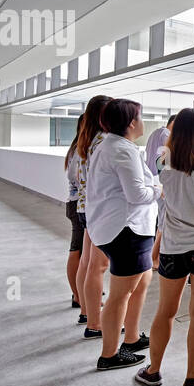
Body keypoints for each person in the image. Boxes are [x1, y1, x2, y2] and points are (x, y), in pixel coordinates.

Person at [133, 108, 194, 386]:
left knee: (166, 311)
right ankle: (191, 375)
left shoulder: (163, 162)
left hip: (173, 247)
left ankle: (153, 371)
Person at [85, 98, 159, 370]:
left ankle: (131, 337)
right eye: (140, 116)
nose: (143, 121)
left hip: (118, 228)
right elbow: (137, 194)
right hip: (126, 231)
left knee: (141, 282)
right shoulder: (122, 151)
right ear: (131, 122)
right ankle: (109, 354)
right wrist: (159, 189)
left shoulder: (112, 145)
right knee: (120, 295)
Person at [74, 95, 112, 337]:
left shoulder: (85, 141)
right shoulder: (104, 142)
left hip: (84, 207)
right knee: (98, 266)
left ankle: (87, 313)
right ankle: (95, 325)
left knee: (87, 263)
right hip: (99, 211)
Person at [145, 115, 175, 270]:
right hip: (160, 181)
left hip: (153, 179)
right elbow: (168, 158)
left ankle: (155, 257)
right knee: (164, 221)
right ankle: (154, 258)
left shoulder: (155, 133)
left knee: (161, 220)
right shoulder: (166, 134)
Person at [65, 116, 85, 320]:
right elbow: (79, 180)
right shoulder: (80, 149)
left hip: (75, 204)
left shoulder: (76, 147)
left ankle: (80, 293)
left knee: (80, 252)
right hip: (78, 205)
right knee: (77, 251)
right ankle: (78, 296)